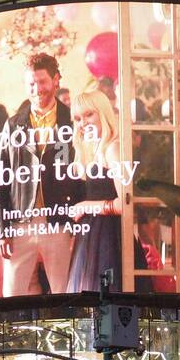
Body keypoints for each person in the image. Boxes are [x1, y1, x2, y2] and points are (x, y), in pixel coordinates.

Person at [0, 52, 82, 296]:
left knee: (64, 294)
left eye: (41, 82)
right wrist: (2, 230)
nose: (36, 89)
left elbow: (81, 176)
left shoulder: (72, 121)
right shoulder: (12, 124)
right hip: (20, 223)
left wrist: (76, 224)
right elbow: (2, 181)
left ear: (55, 80)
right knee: (12, 297)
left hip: (59, 222)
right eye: (31, 83)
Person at [66, 86, 125, 293]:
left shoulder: (113, 148)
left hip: (110, 238)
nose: (83, 123)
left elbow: (125, 204)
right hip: (93, 236)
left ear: (103, 113)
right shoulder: (94, 149)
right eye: (78, 118)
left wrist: (86, 206)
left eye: (89, 114)